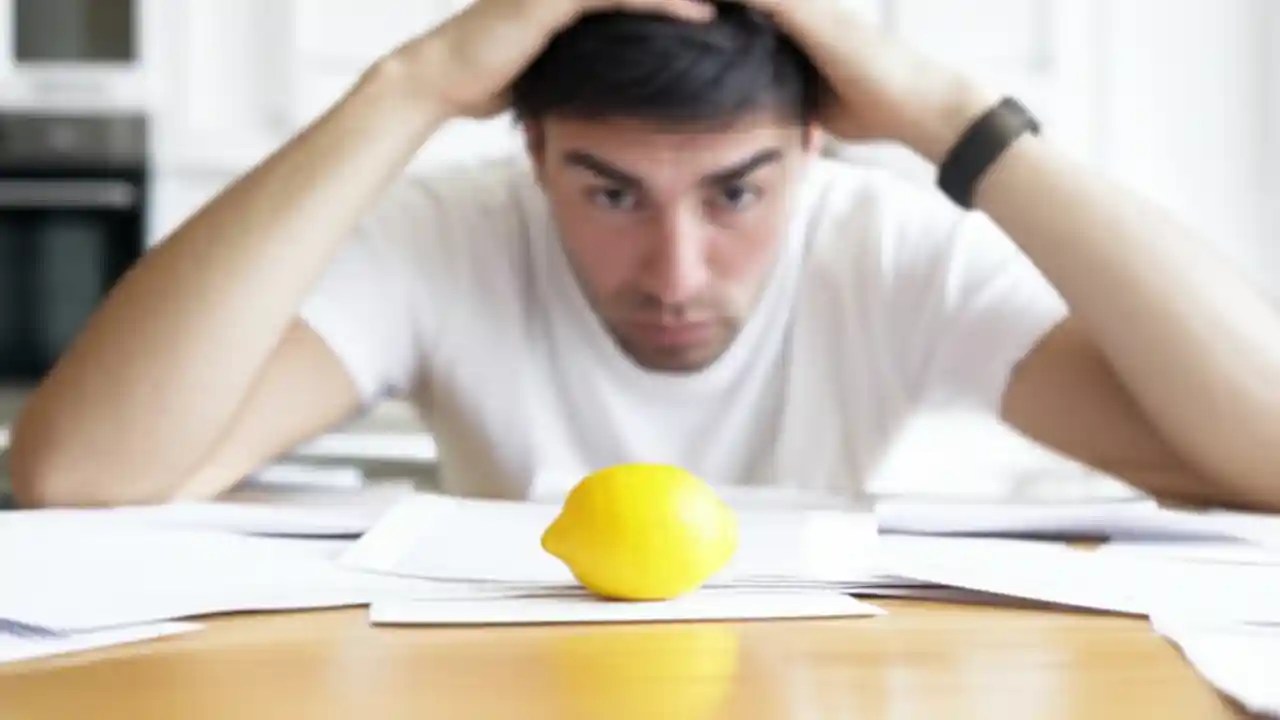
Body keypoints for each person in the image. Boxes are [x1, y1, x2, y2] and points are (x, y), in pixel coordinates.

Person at [10, 0, 1280, 510]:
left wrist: (956, 118)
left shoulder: (881, 249)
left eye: (737, 191)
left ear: (815, 146)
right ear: (530, 147)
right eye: (607, 191)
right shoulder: (453, 233)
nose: (674, 271)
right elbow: (78, 480)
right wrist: (403, 88)